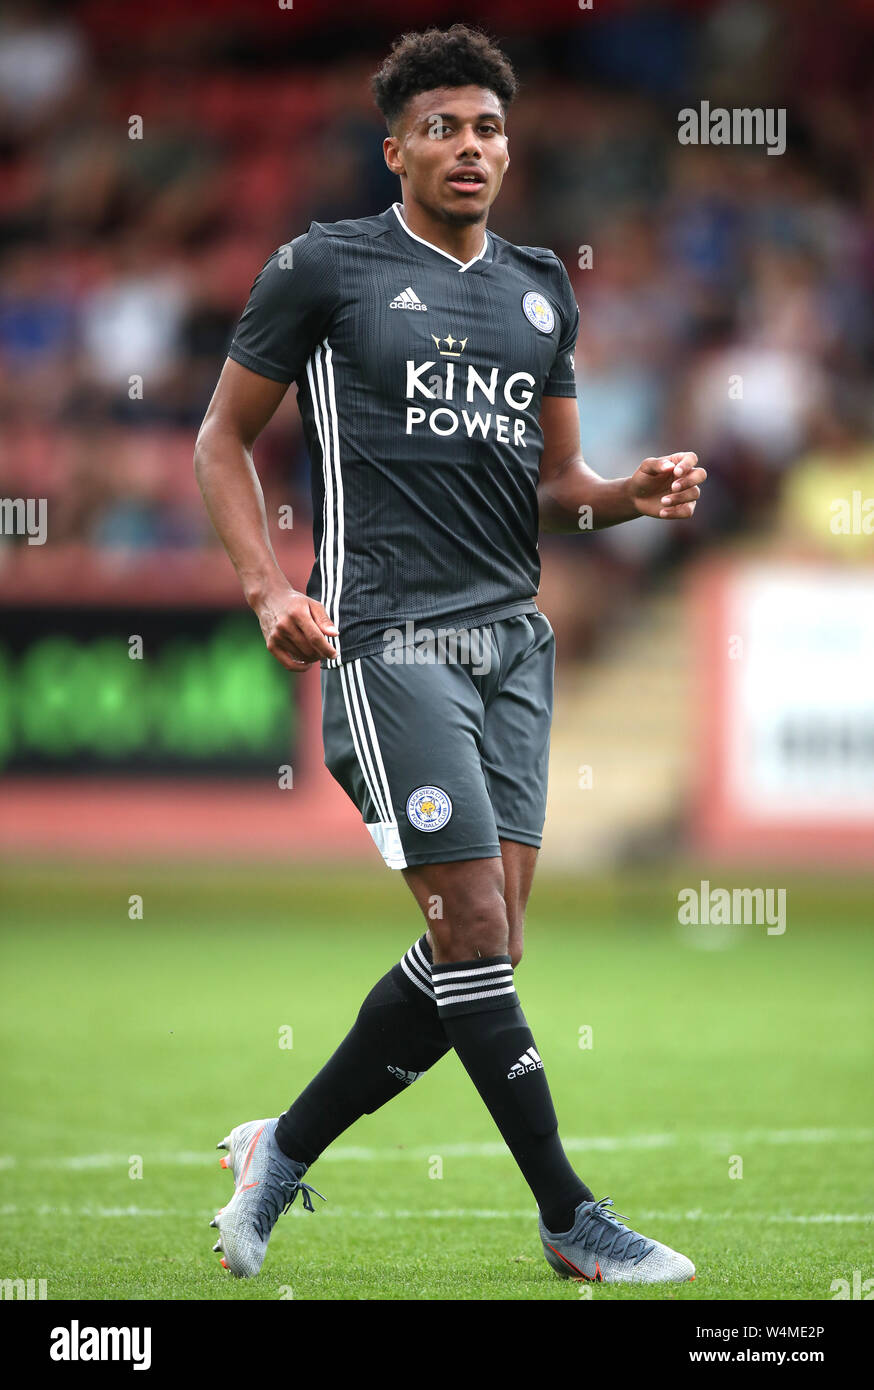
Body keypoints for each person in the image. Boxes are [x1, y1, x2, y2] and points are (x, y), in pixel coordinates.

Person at [194, 24, 706, 1286]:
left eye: (485, 127)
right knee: (474, 925)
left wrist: (629, 495)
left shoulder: (540, 286)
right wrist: (268, 587)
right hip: (386, 639)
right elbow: (217, 440)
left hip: (510, 647)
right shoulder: (326, 267)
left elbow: (557, 487)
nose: (467, 147)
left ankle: (281, 1146)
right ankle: (567, 1211)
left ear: (507, 146)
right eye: (441, 128)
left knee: (485, 949)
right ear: (396, 150)